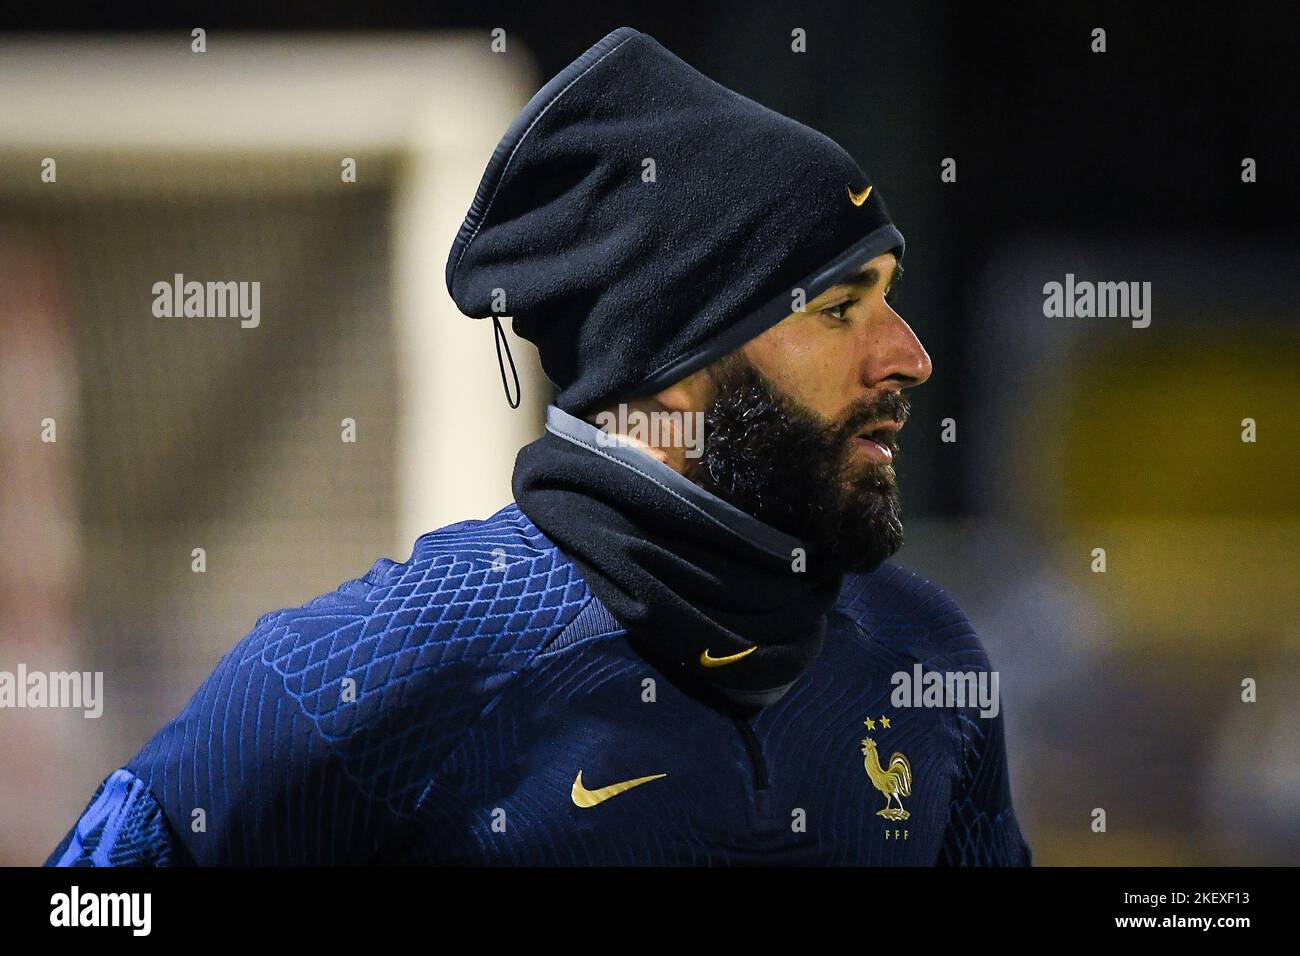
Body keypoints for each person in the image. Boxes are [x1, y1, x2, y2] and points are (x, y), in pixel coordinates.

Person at [47, 26, 1029, 866]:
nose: (908, 355)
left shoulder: (924, 658)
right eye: (839, 308)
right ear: (675, 366)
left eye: (890, 297)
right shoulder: (383, 663)